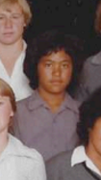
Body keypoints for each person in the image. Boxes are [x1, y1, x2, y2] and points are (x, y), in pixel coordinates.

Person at [14, 30, 84, 164]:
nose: (56, 72)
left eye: (64, 65)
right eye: (48, 65)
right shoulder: (16, 112)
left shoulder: (83, 113)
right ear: (35, 66)